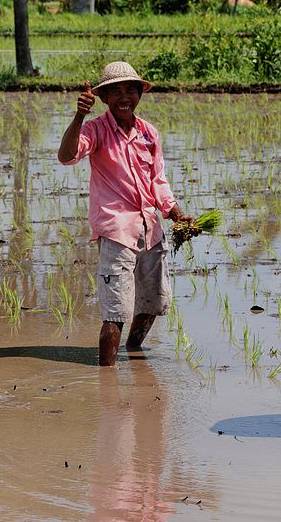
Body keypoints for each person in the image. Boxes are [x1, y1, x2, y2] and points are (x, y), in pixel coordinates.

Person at [58, 61, 193, 366]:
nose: (124, 97)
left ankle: (133, 353)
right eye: (115, 91)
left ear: (139, 94)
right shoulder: (95, 130)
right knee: (116, 312)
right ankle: (107, 382)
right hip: (117, 232)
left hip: (150, 229)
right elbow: (67, 156)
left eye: (130, 90)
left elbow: (158, 180)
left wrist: (175, 213)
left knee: (152, 302)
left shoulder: (148, 133)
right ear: (104, 98)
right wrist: (80, 115)